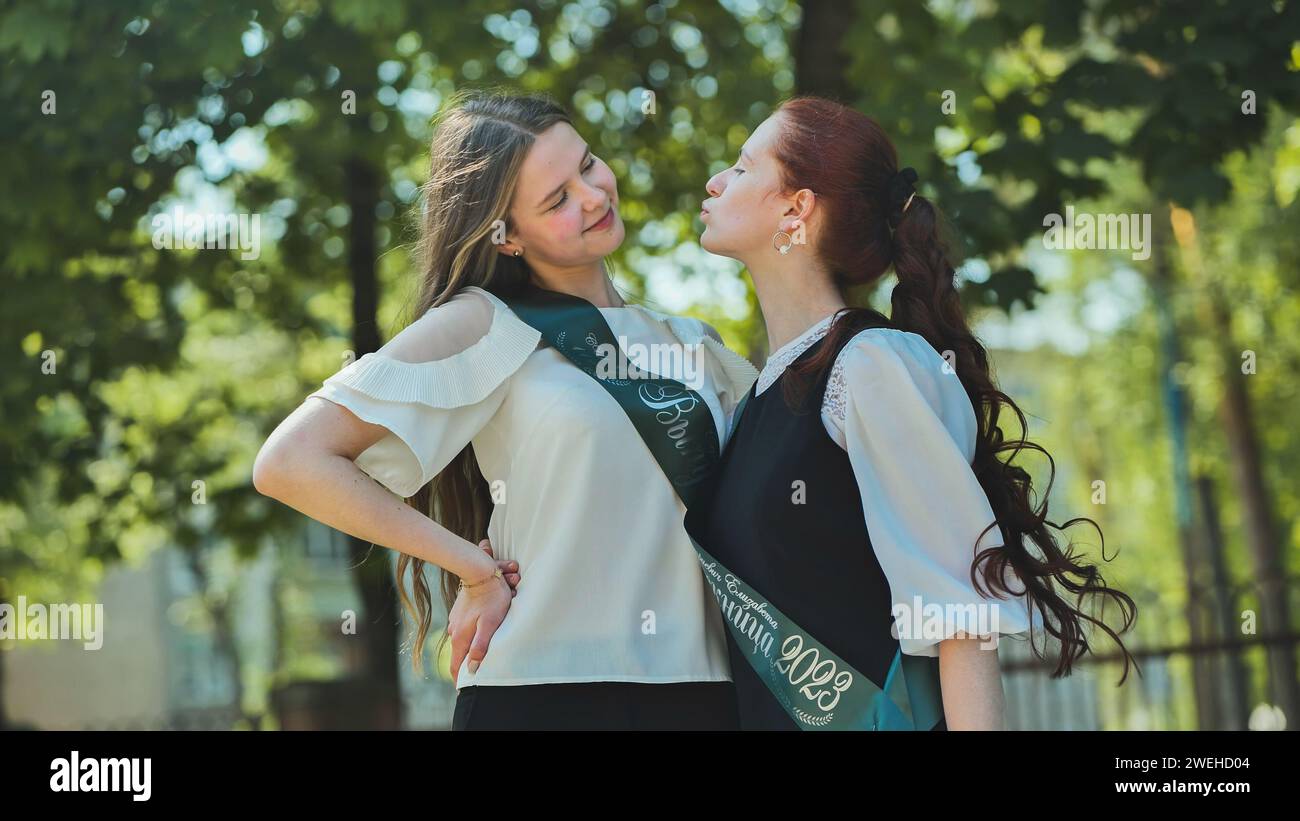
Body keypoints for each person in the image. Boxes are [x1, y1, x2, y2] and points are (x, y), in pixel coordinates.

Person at [254, 90, 759, 730]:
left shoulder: (691, 342)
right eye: (557, 200)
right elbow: (290, 462)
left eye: (588, 164)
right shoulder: (486, 324)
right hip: (544, 693)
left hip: (703, 693)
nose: (594, 196)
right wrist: (473, 570)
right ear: (507, 236)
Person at [686, 96, 1137, 730]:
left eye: (741, 165)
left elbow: (960, 613)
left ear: (796, 207)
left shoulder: (870, 367)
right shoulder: (756, 395)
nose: (716, 180)